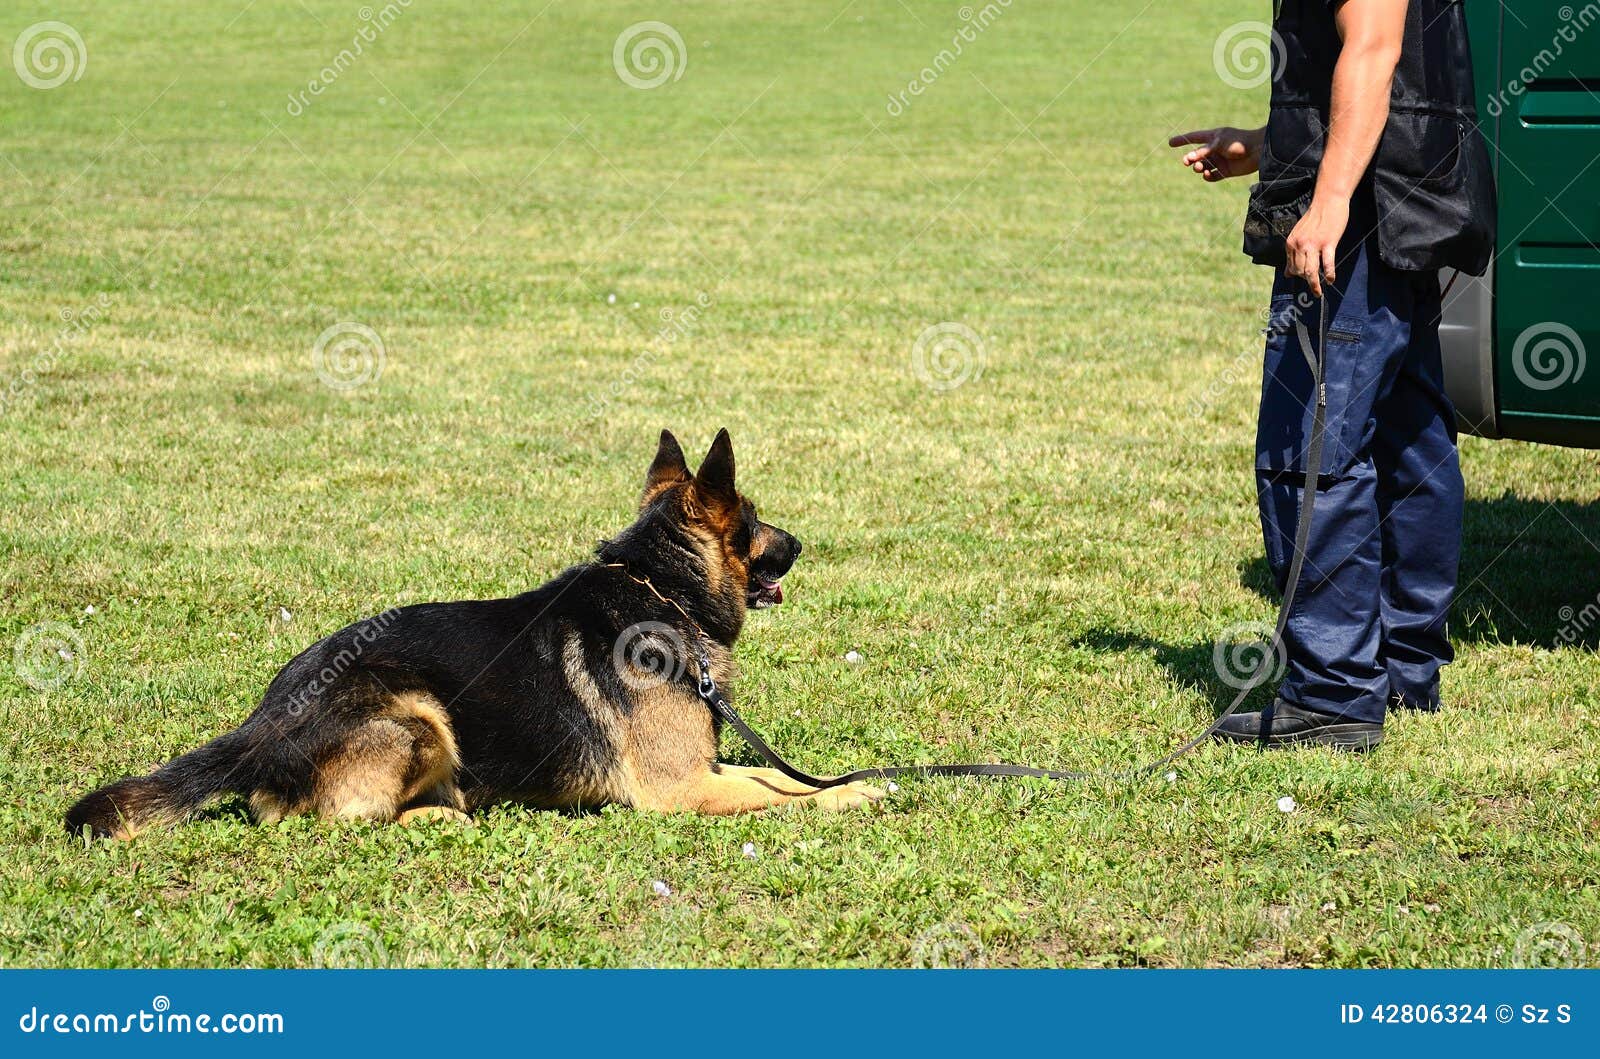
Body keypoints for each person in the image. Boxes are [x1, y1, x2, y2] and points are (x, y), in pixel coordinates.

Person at [1169, 0, 1496, 750]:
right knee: (1411, 444)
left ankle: (1334, 693)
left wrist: (1328, 202)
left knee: (1308, 450)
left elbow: (1375, 50)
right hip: (1401, 203)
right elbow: (1379, 73)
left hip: (1360, 223)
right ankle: (1402, 670)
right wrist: (1265, 144)